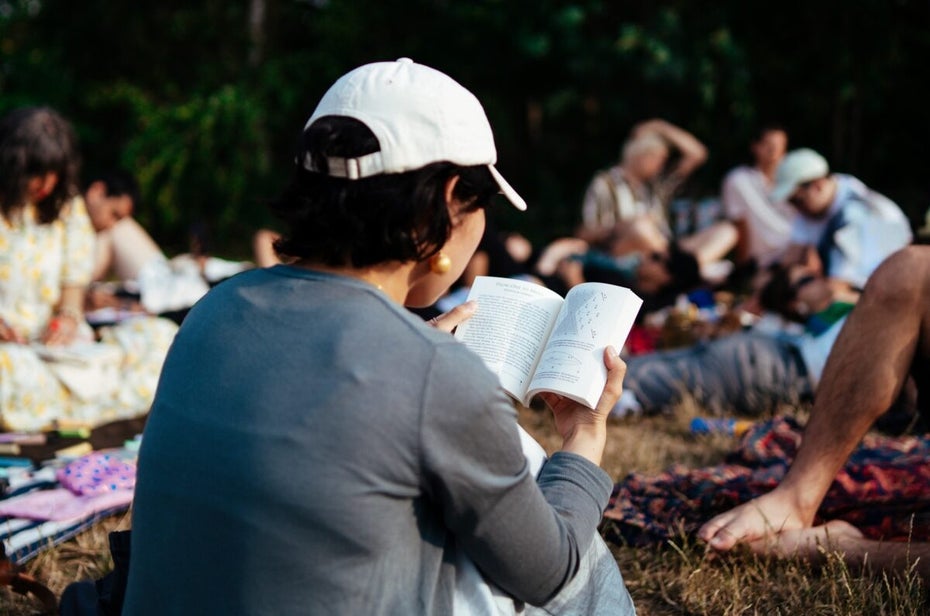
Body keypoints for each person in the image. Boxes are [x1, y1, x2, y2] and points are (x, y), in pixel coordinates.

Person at [124, 58, 636, 614]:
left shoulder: (216, 308)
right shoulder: (433, 373)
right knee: (569, 532)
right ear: (446, 204)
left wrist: (421, 356)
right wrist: (585, 435)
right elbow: (550, 575)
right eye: (482, 203)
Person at [698, 245, 930, 581]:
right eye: (803, 281)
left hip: (780, 366)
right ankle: (797, 497)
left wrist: (839, 550)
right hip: (775, 354)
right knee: (909, 269)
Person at [0, 107, 178, 432]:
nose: (46, 184)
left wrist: (66, 320)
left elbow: (72, 292)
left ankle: (62, 405)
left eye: (55, 173)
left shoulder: (67, 210)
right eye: (37, 172)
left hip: (57, 347)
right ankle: (75, 404)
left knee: (162, 337)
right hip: (11, 353)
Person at [611, 255, 864, 419]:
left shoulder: (860, 311)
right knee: (666, 365)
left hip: (774, 367)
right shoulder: (832, 315)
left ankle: (599, 384)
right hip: (768, 359)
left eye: (809, 278)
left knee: (667, 373)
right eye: (809, 280)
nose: (822, 279)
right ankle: (601, 378)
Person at [84, 170, 252, 318]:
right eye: (114, 214)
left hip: (161, 284)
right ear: (97, 191)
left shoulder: (113, 230)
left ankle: (76, 292)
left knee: (115, 231)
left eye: (117, 216)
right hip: (161, 284)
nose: (111, 223)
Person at [772, 148, 912, 291]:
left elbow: (838, 287)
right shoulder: (818, 204)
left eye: (797, 201)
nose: (796, 208)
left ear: (818, 185)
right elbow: (791, 258)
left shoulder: (854, 215)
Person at [721, 124, 794, 269]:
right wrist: (742, 269)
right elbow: (740, 228)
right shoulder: (738, 180)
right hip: (760, 263)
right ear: (755, 147)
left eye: (780, 146)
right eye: (768, 145)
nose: (774, 151)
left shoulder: (796, 181)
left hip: (795, 255)